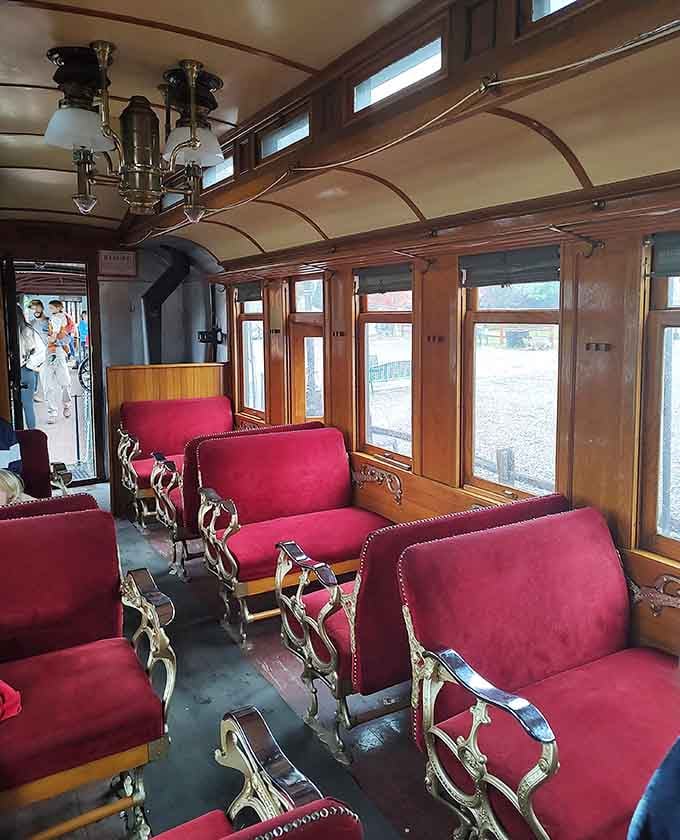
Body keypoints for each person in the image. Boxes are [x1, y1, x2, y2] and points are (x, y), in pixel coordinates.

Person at [43, 299, 73, 424]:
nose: (50, 310)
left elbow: (54, 334)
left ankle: (56, 411)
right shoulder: (60, 317)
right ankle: (60, 409)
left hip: (56, 350)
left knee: (57, 383)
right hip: (53, 351)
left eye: (51, 308)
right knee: (56, 383)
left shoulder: (58, 317)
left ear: (58, 307)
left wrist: (51, 338)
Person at [16, 304, 45, 429]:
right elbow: (42, 352)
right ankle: (31, 438)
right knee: (28, 406)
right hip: (26, 371)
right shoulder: (28, 330)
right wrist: (29, 364)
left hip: (17, 370)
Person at [28, 299, 50, 403]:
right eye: (33, 308)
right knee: (35, 375)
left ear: (42, 307)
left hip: (49, 353)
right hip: (36, 354)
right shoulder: (30, 323)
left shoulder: (49, 322)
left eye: (37, 307)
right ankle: (35, 394)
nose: (35, 310)